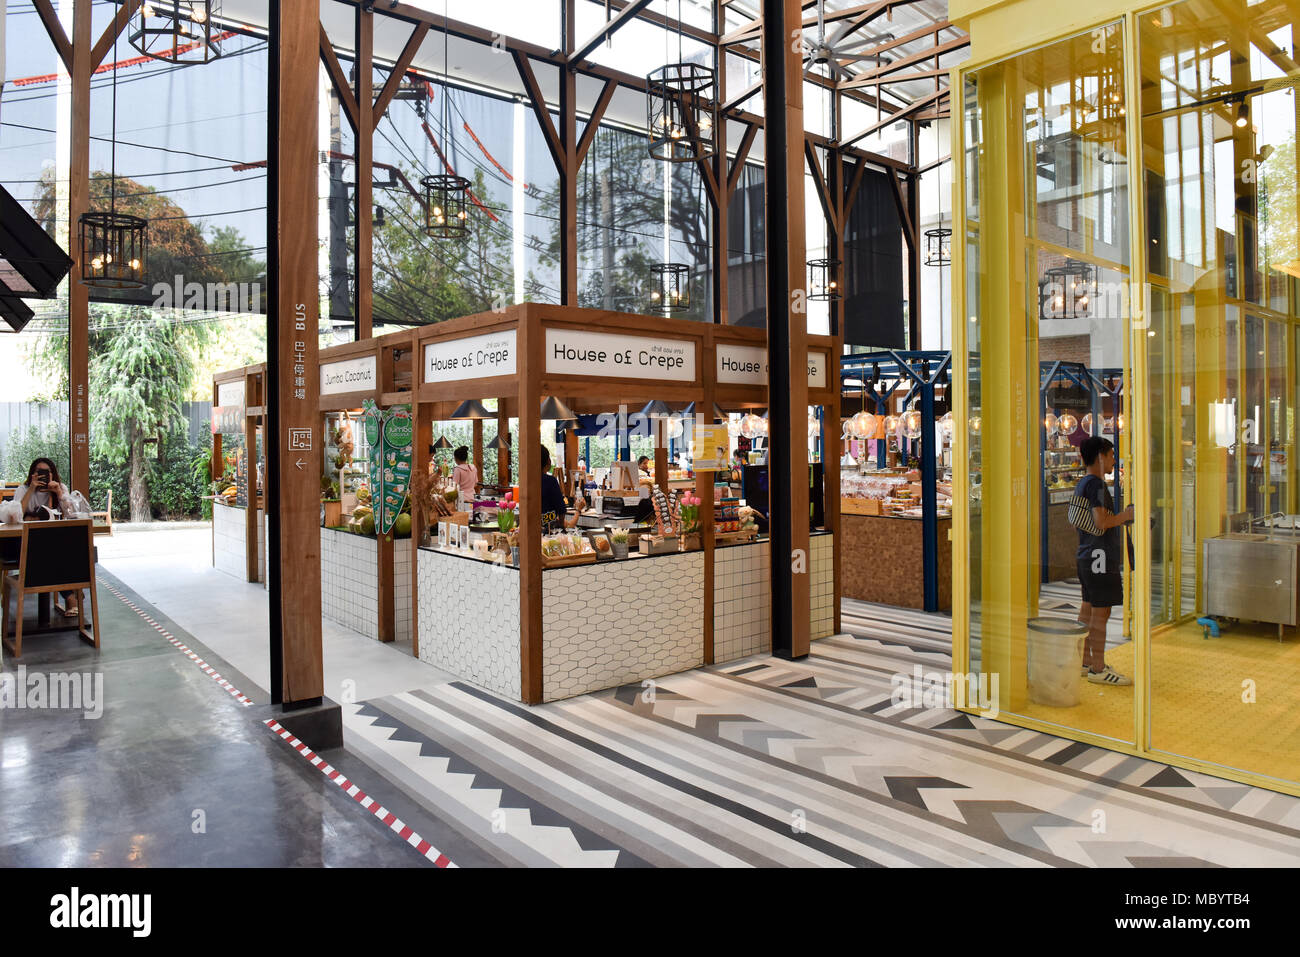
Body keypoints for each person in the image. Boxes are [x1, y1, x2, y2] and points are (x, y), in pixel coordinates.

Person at [1071, 436, 1134, 686]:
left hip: (1086, 555)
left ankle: (1084, 661)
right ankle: (1098, 668)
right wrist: (1126, 516)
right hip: (1100, 556)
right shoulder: (1096, 485)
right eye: (1110, 454)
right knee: (1101, 613)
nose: (1113, 459)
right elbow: (1102, 522)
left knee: (1087, 609)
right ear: (1100, 457)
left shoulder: (1083, 483)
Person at [11, 458, 81, 617]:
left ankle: (70, 594)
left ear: (52, 474)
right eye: (38, 472)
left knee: (52, 551)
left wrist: (58, 493)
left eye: (47, 472)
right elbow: (16, 515)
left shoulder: (60, 488)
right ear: (32, 474)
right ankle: (71, 594)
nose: (43, 475)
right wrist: (31, 490)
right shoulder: (23, 489)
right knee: (51, 553)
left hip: (53, 540)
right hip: (26, 543)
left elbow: (70, 514)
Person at [540, 446, 583, 531]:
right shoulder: (550, 481)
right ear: (548, 461)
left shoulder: (526, 481)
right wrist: (561, 525)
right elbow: (561, 509)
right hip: (548, 531)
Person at [451, 446, 477, 511]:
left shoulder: (458, 469)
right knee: (471, 518)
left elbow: (454, 487)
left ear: (456, 458)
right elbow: (475, 484)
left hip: (462, 500)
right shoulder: (473, 468)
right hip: (472, 499)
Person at [633, 455, 655, 523]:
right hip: (643, 499)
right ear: (639, 464)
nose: (646, 465)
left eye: (647, 463)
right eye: (644, 463)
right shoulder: (639, 474)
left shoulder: (649, 474)